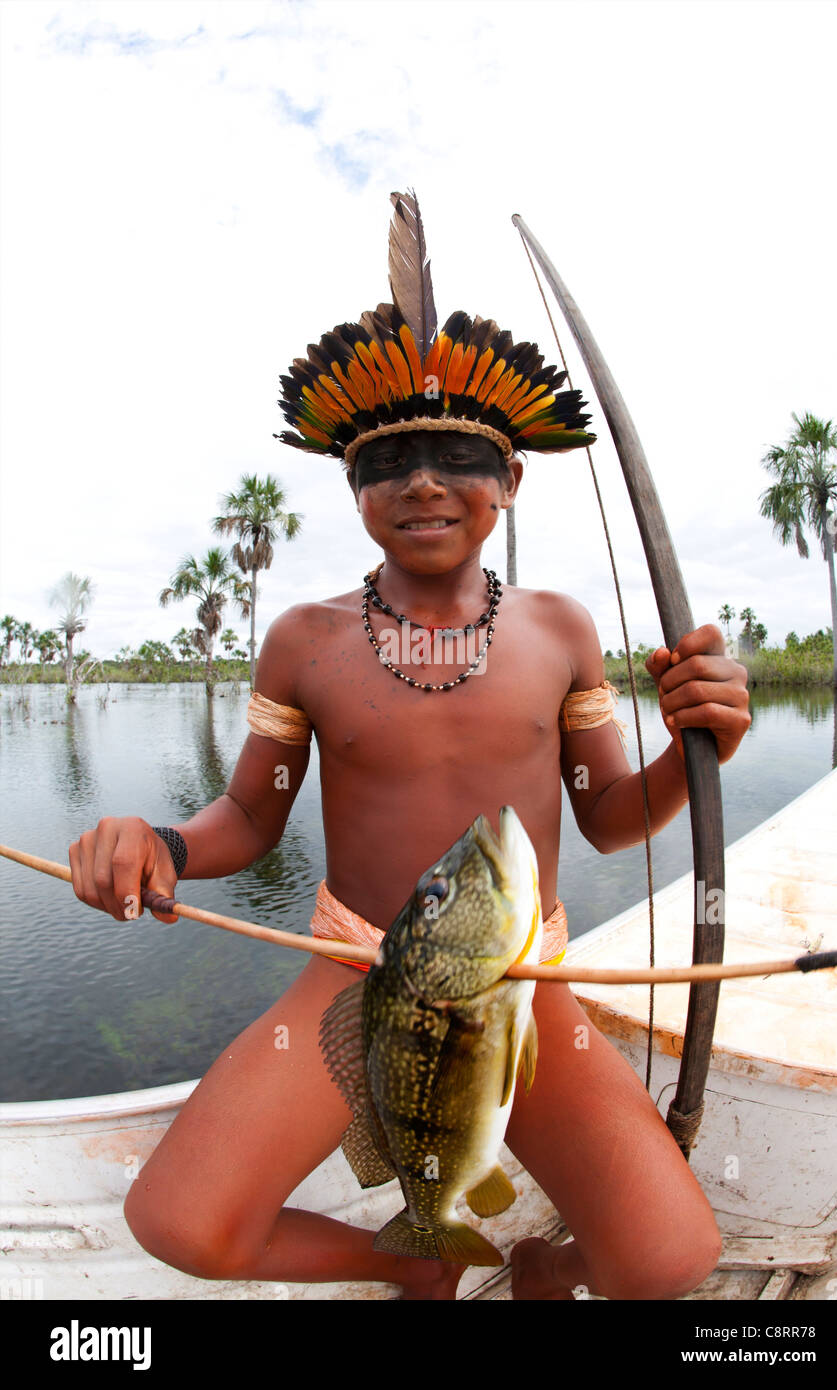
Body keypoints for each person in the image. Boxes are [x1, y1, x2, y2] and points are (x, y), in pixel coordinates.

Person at [69, 195, 750, 1300]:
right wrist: (156, 841)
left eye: (453, 456)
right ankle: (411, 1264)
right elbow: (246, 821)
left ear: (510, 480)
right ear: (352, 487)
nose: (423, 482)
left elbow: (610, 816)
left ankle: (537, 1260)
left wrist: (696, 746)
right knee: (183, 1222)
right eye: (390, 463)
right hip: (353, 977)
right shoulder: (303, 641)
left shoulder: (559, 632)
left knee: (666, 1260)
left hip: (522, 984)